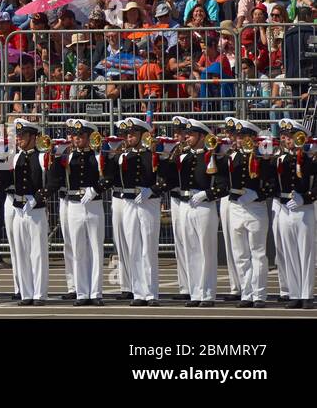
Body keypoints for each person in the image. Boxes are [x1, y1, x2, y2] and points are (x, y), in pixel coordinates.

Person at [105, 117, 162, 307]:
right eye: (126, 135)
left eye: (132, 134)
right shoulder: (122, 156)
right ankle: (138, 292)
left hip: (148, 202)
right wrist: (112, 155)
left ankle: (151, 293)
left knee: (149, 248)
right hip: (129, 202)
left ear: (142, 135)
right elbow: (110, 176)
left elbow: (165, 179)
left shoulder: (152, 154)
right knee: (134, 248)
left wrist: (152, 189)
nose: (128, 138)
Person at [53, 118, 106, 305]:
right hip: (74, 203)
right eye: (74, 135)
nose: (76, 139)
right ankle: (82, 293)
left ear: (89, 136)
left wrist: (96, 189)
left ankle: (96, 293)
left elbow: (108, 177)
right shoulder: (67, 157)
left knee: (95, 250)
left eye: (80, 135)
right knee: (78, 250)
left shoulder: (98, 156)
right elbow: (56, 176)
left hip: (93, 204)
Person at [175, 118, 228, 307]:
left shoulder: (211, 156)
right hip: (186, 204)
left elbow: (223, 187)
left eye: (190, 134)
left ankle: (207, 294)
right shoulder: (184, 156)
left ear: (201, 136)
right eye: (186, 134)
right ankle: (195, 293)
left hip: (204, 205)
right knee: (191, 251)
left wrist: (207, 194)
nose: (186, 137)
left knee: (206, 251)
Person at [221, 119, 274, 308]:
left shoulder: (261, 155)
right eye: (239, 136)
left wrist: (257, 193)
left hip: (255, 207)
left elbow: (271, 182)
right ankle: (246, 293)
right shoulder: (231, 156)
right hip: (236, 207)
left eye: (243, 136)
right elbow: (222, 178)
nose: (240, 140)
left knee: (258, 253)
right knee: (240, 253)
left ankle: (259, 295)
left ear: (252, 137)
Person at [0, 118, 51, 305]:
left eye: (22, 136)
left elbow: (51, 182)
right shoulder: (15, 157)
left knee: (37, 253)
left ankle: (39, 293)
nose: (18, 139)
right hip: (19, 209)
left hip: (35, 209)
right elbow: (3, 180)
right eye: (17, 136)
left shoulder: (42, 157)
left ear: (32, 137)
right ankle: (26, 293)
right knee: (21, 253)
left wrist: (37, 198)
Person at [272, 117, 314, 310]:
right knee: (289, 253)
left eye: (290, 136)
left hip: (302, 208)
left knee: (305, 252)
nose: (286, 140)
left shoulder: (310, 159)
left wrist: (305, 198)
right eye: (284, 136)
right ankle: (295, 293)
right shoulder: (279, 159)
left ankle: (306, 294)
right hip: (284, 208)